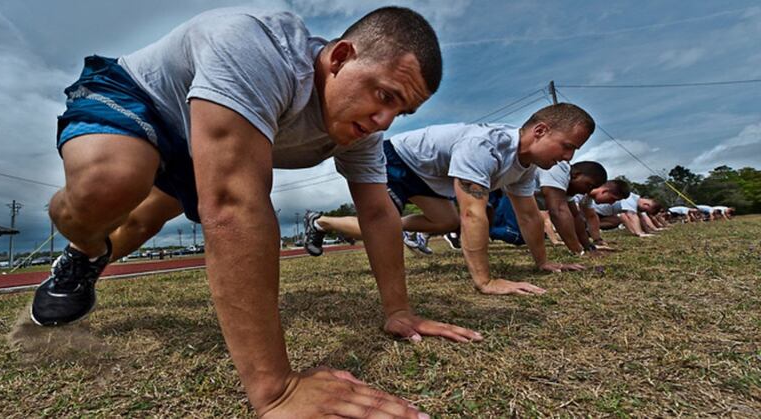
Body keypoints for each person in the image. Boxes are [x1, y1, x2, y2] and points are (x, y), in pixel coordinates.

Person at [31, 7, 482, 417]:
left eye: (400, 112)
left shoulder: (363, 129)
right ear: (341, 56)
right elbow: (232, 205)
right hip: (141, 97)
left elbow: (379, 213)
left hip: (203, 138)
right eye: (384, 95)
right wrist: (276, 390)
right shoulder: (260, 48)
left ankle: (95, 253)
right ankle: (82, 250)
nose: (384, 120)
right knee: (109, 188)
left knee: (142, 222)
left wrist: (398, 310)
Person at [305, 103, 596, 295]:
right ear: (541, 131)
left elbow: (529, 216)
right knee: (385, 227)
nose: (568, 158)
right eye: (567, 146)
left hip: (426, 174)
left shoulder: (525, 167)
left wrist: (542, 262)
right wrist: (486, 281)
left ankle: (329, 223)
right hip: (396, 159)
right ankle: (321, 222)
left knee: (446, 221)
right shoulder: (486, 147)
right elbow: (473, 214)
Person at [534, 161, 608, 255]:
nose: (586, 192)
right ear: (576, 175)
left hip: (514, 197)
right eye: (589, 185)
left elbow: (575, 216)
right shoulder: (558, 169)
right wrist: (578, 251)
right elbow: (558, 211)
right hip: (510, 193)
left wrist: (588, 247)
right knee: (515, 235)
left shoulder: (568, 187)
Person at [570, 179, 632, 246]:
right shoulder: (579, 191)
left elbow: (591, 217)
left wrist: (597, 240)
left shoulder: (587, 197)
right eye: (613, 199)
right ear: (604, 191)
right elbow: (571, 213)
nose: (611, 203)